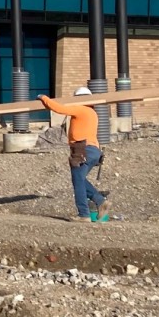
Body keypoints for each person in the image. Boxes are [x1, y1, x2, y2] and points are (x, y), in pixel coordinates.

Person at [39, 87, 110, 221]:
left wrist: (44, 98)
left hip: (83, 149)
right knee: (80, 179)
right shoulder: (92, 112)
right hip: (92, 149)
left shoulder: (81, 108)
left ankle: (84, 214)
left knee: (78, 181)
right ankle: (100, 201)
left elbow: (60, 109)